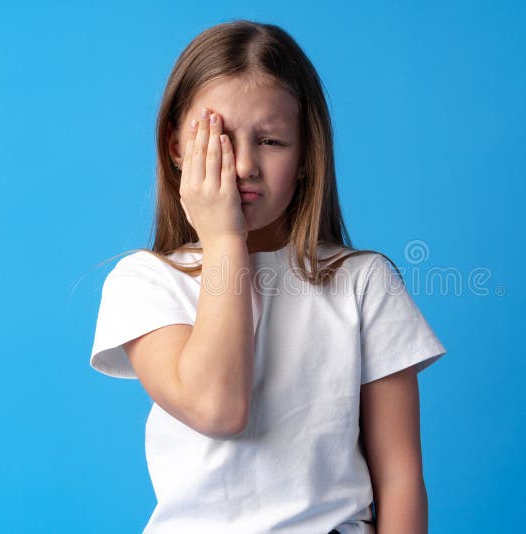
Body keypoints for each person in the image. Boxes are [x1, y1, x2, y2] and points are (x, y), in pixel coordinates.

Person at [90, 19, 447, 534]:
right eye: (219, 138)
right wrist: (224, 239)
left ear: (306, 155)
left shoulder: (363, 282)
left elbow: (400, 476)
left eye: (273, 141)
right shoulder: (145, 282)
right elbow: (218, 408)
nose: (243, 165)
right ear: (175, 147)